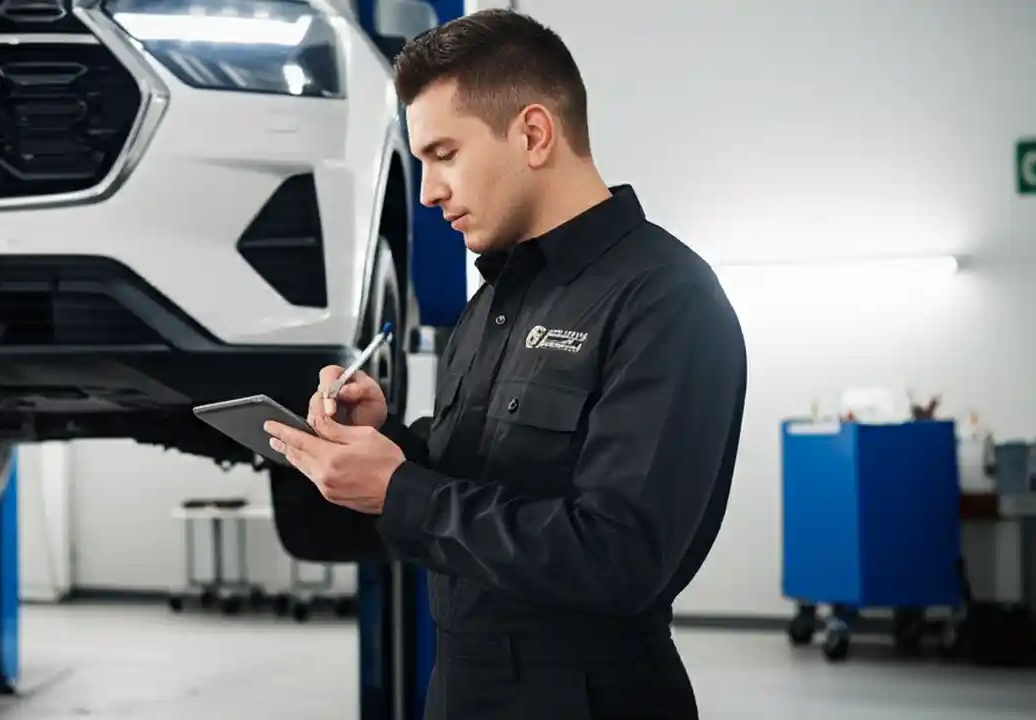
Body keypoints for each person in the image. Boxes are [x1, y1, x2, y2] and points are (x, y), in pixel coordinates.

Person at [263, 8, 747, 719]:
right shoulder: (495, 297)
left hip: (589, 698)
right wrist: (389, 442)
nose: (427, 192)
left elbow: (619, 558)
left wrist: (399, 490)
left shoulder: (665, 298)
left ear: (533, 133)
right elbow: (482, 472)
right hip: (461, 686)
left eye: (444, 155)